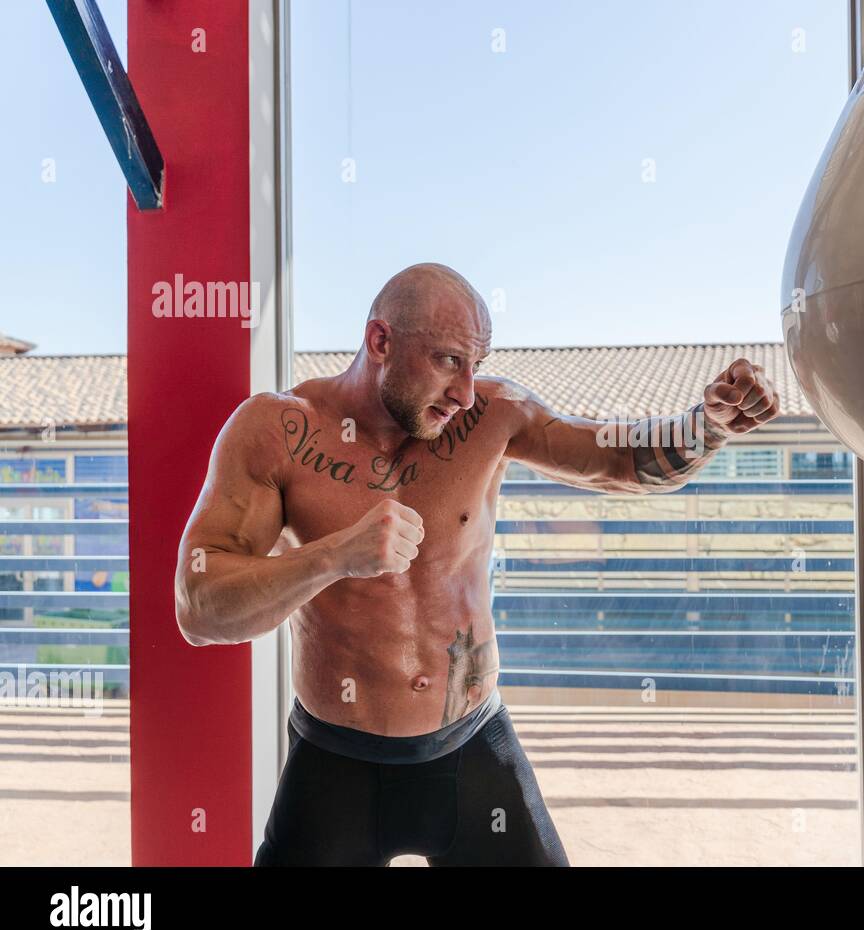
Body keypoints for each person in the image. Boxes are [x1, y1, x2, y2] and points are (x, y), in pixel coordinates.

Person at [173, 263, 782, 866]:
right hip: (335, 763)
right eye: (448, 361)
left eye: (477, 365)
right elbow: (200, 608)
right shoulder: (275, 429)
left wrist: (710, 426)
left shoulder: (494, 415)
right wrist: (333, 556)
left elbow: (618, 462)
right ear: (380, 341)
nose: (465, 392)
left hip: (472, 754)